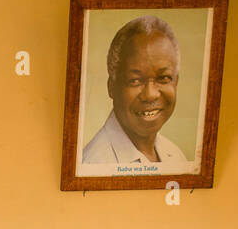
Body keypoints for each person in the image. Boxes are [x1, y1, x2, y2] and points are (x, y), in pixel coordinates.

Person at [82, 15, 191, 169]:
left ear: (176, 82)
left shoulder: (175, 155)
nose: (150, 94)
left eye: (163, 78)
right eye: (135, 80)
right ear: (111, 87)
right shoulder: (94, 164)